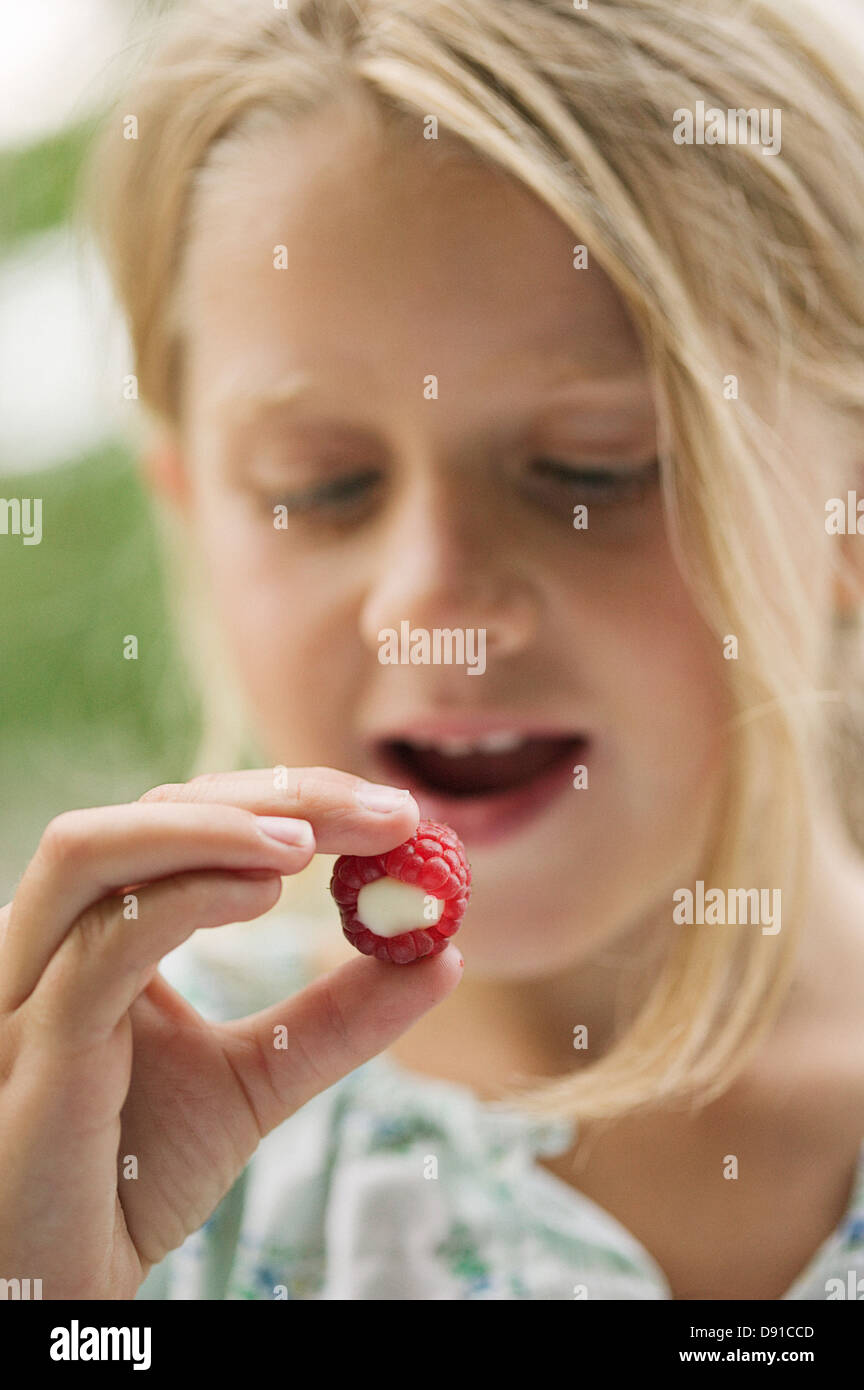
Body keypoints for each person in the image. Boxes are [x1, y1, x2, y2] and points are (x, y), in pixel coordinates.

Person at [2, 0, 864, 1300]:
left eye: (591, 471)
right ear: (192, 508)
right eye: (321, 486)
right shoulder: (99, 1140)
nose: (432, 601)